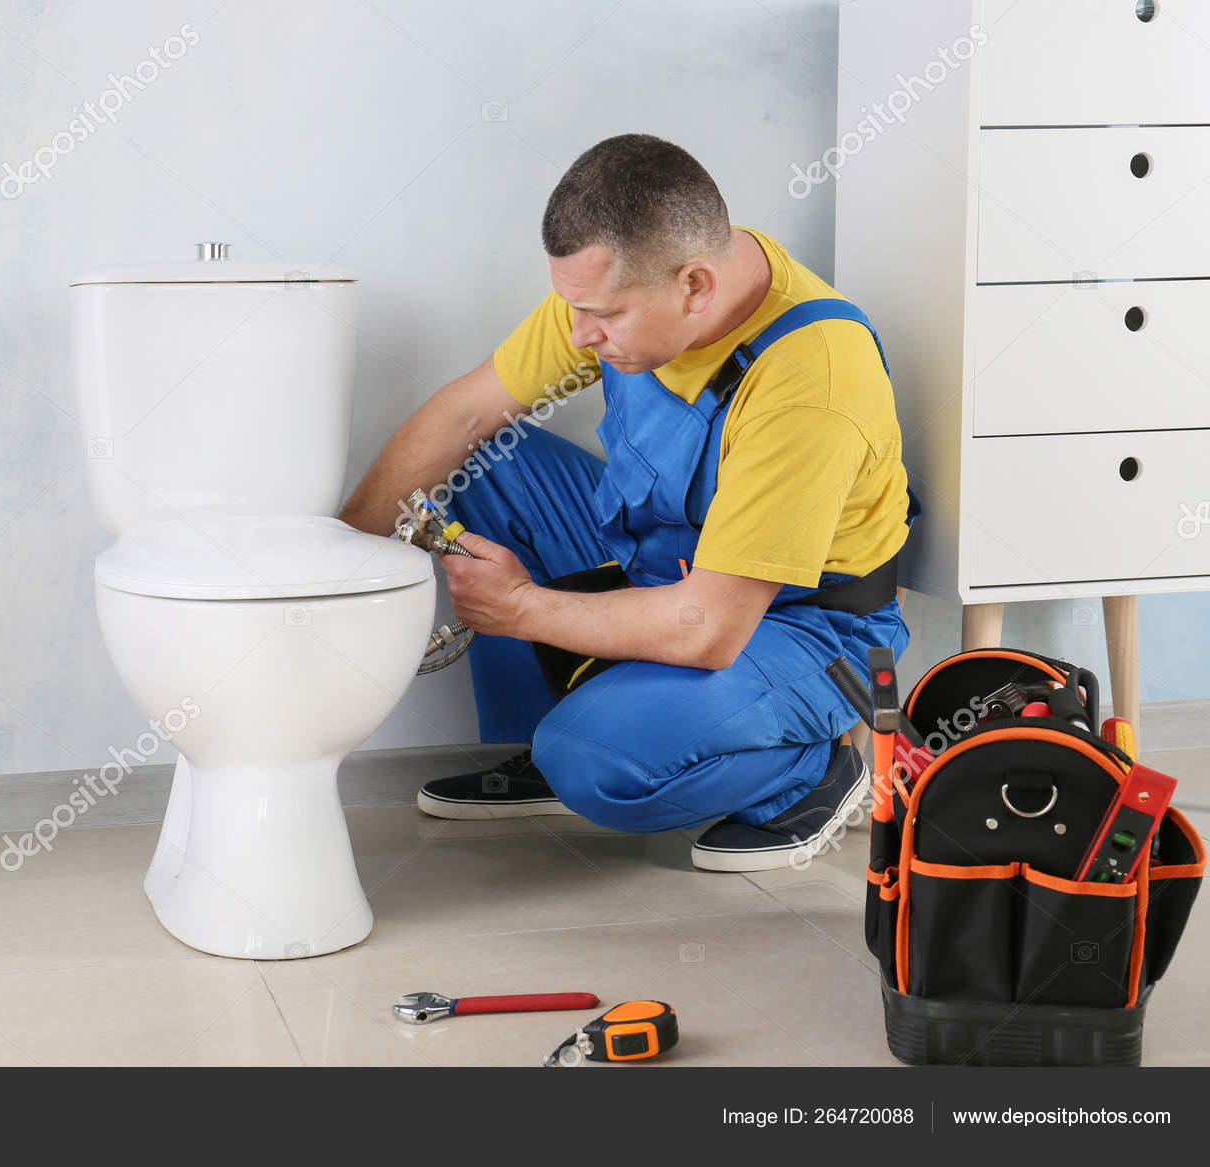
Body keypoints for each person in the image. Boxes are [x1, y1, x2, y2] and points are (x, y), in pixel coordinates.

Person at [338, 134, 916, 871]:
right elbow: (466, 414)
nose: (580, 334)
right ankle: (545, 744)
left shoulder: (814, 377)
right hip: (669, 566)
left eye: (601, 315)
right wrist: (337, 557)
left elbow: (709, 625)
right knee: (481, 460)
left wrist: (519, 607)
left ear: (696, 286)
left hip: (800, 624)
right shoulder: (629, 287)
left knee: (593, 762)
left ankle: (811, 773)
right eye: (573, 306)